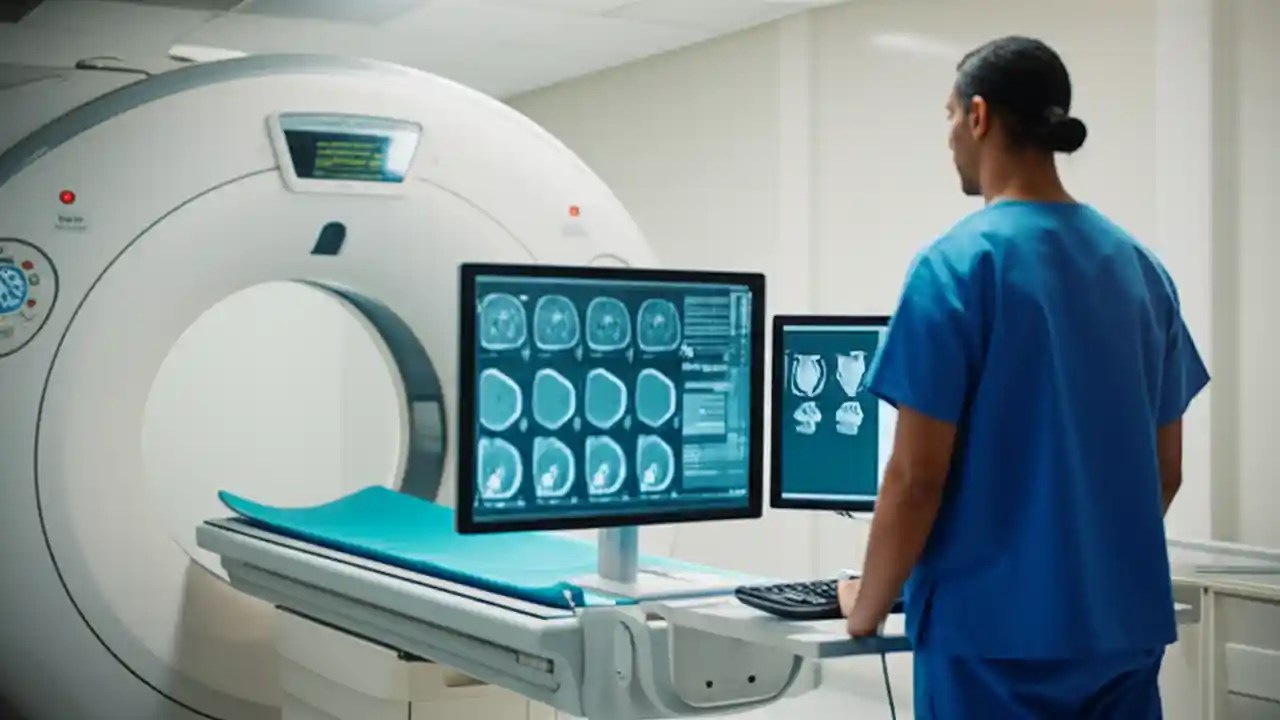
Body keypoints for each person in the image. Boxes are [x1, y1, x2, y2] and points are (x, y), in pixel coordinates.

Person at [836, 36, 1210, 718]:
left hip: (990, 643)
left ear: (978, 116)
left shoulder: (955, 267)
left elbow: (916, 478)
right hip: (1120, 633)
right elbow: (1167, 469)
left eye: (949, 116)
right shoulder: (1140, 270)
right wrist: (1086, 561)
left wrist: (866, 607)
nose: (948, 137)